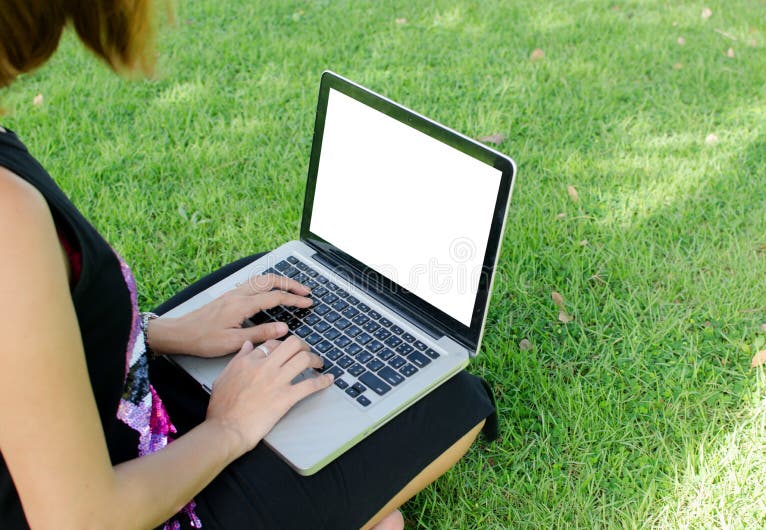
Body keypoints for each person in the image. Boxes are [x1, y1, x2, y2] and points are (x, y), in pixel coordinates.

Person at [0, 1, 498, 529]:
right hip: (137, 498)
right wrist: (230, 429)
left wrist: (165, 332)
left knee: (268, 282)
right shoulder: (10, 220)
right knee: (458, 401)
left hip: (109, 420)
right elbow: (82, 521)